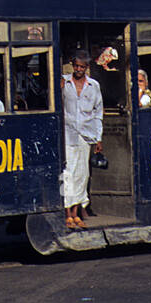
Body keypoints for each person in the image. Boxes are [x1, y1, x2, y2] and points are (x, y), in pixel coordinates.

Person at [61, 50, 103, 230]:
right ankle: (67, 213)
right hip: (67, 133)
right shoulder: (64, 82)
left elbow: (98, 112)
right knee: (68, 172)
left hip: (86, 135)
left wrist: (98, 138)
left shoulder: (93, 86)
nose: (78, 69)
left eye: (82, 67)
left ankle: (76, 212)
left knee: (82, 174)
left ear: (87, 67)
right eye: (76, 66)